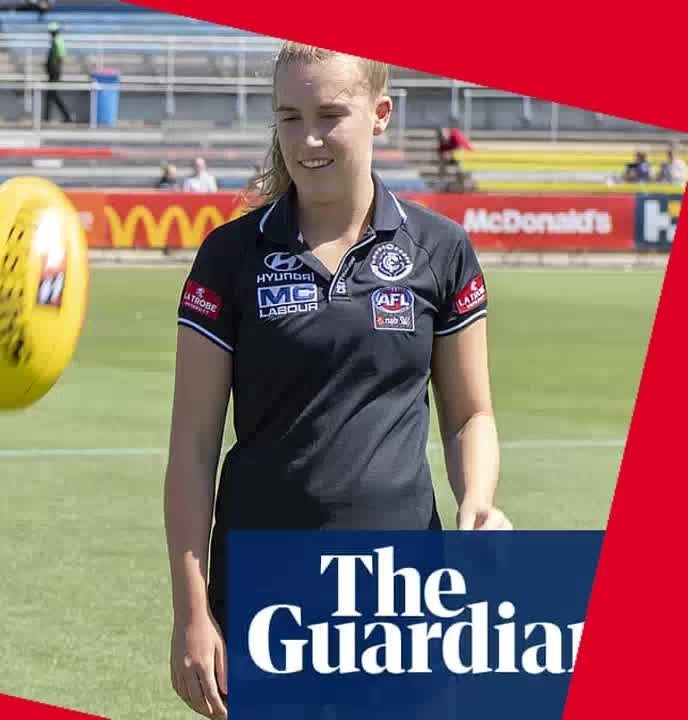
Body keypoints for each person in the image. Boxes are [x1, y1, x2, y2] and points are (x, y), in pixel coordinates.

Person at [163, 42, 510, 719]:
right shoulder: (230, 255)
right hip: (267, 596)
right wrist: (191, 612)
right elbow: (193, 448)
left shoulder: (439, 248)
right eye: (288, 117)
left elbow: (471, 414)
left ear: (380, 114)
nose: (308, 139)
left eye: (330, 114)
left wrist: (478, 498)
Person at [43, 22, 73, 123]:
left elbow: (59, 57)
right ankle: (47, 117)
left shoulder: (57, 42)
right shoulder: (56, 41)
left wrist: (52, 67)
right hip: (53, 71)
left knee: (53, 95)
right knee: (51, 95)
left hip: (54, 72)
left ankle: (66, 116)